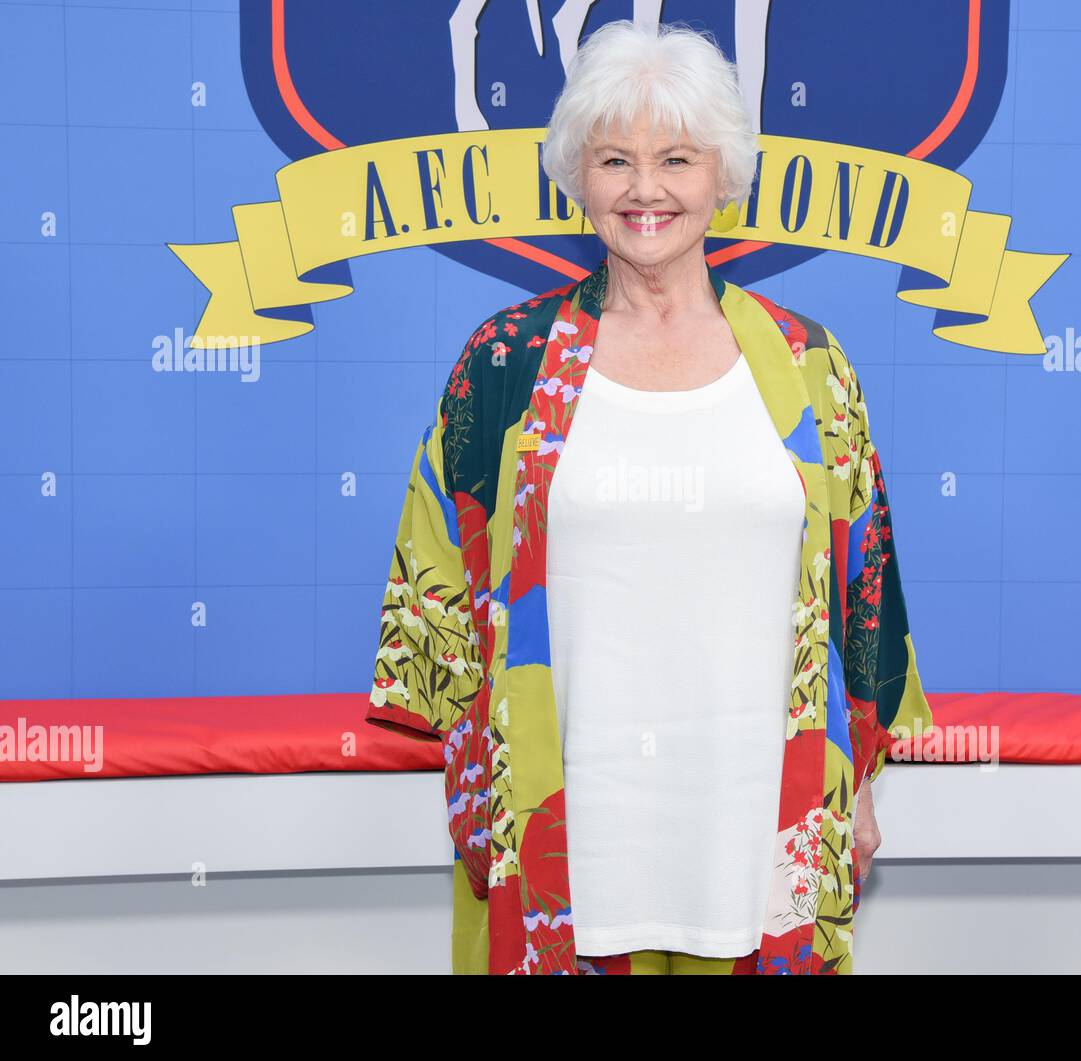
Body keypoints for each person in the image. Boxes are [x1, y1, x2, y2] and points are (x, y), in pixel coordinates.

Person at [365, 18, 931, 976]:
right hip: (563, 842)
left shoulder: (811, 367)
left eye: (676, 158)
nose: (646, 189)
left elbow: (862, 596)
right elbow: (438, 597)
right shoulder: (504, 365)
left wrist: (859, 784)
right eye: (615, 159)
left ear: (723, 174)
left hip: (762, 837)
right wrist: (474, 795)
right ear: (578, 176)